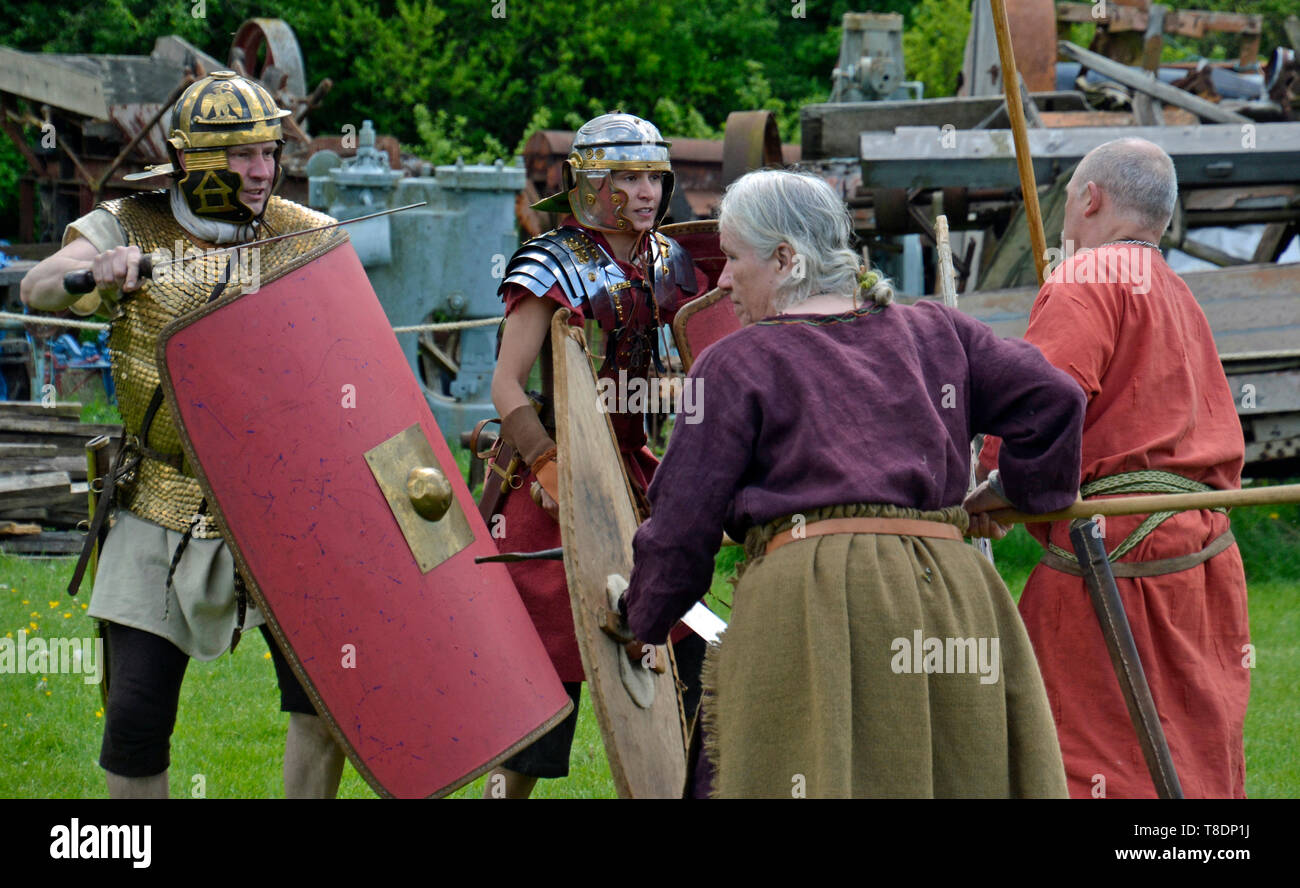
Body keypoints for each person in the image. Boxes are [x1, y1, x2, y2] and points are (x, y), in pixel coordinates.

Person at [619, 169, 1087, 798]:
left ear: (786, 258)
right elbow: (1055, 399)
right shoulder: (937, 331)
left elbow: (681, 526)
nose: (723, 280)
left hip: (809, 606)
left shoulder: (734, 363)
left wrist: (640, 617)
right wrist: (1018, 493)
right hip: (949, 596)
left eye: (732, 258)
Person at [21, 71, 346, 799]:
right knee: (134, 717)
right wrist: (94, 274)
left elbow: (353, 370)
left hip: (283, 507)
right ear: (189, 158)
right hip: (159, 497)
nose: (260, 170)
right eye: (238, 156)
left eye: (266, 152)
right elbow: (38, 285)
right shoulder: (126, 225)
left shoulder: (309, 236)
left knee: (326, 704)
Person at [966, 138, 1251, 799]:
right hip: (1206, 556)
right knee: (1191, 760)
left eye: (1069, 198)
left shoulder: (1085, 279)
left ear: (1090, 198)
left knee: (1082, 757)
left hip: (1115, 557)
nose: (1067, 212)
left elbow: (1043, 407)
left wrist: (996, 491)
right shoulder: (1180, 293)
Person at [481, 113, 706, 797]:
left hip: (633, 475)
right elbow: (504, 384)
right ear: (591, 185)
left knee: (687, 646)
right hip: (550, 484)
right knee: (547, 686)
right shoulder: (552, 263)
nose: (644, 192)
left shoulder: (666, 262)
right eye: (627, 178)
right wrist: (552, 467)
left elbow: (691, 366)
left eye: (652, 177)